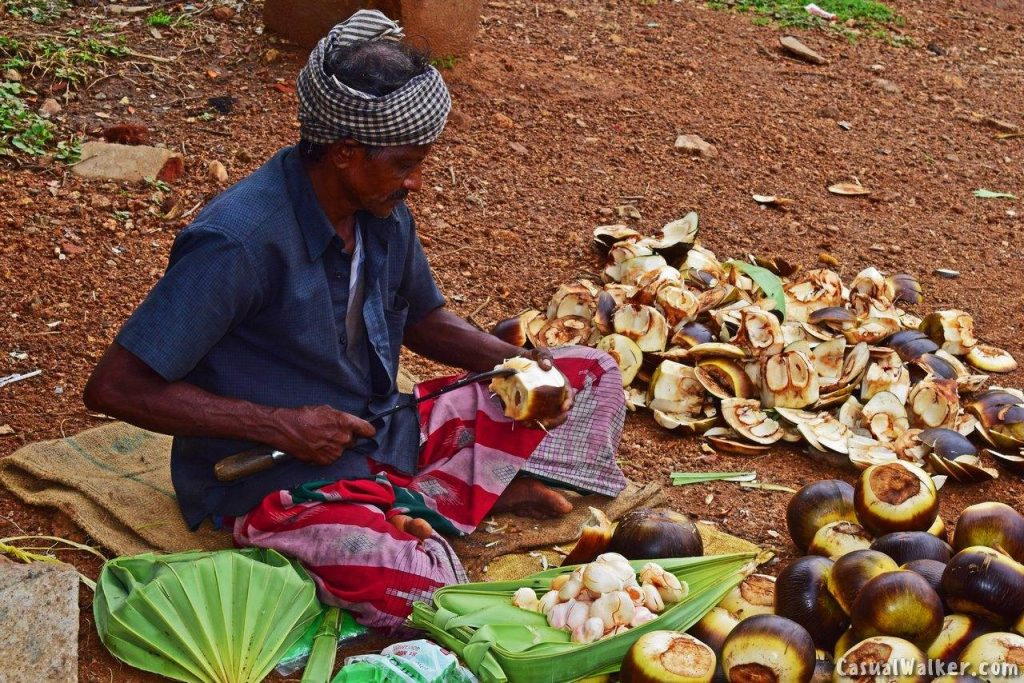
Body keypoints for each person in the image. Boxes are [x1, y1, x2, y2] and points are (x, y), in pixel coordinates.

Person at [83, 10, 626, 630]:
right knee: (426, 588)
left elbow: (423, 316)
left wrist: (504, 360)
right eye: (404, 163)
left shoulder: (379, 205)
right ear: (345, 152)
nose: (416, 181)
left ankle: (442, 494)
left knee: (592, 376)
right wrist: (282, 426)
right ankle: (444, 498)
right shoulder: (239, 242)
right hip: (271, 472)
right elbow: (114, 388)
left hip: (377, 428)